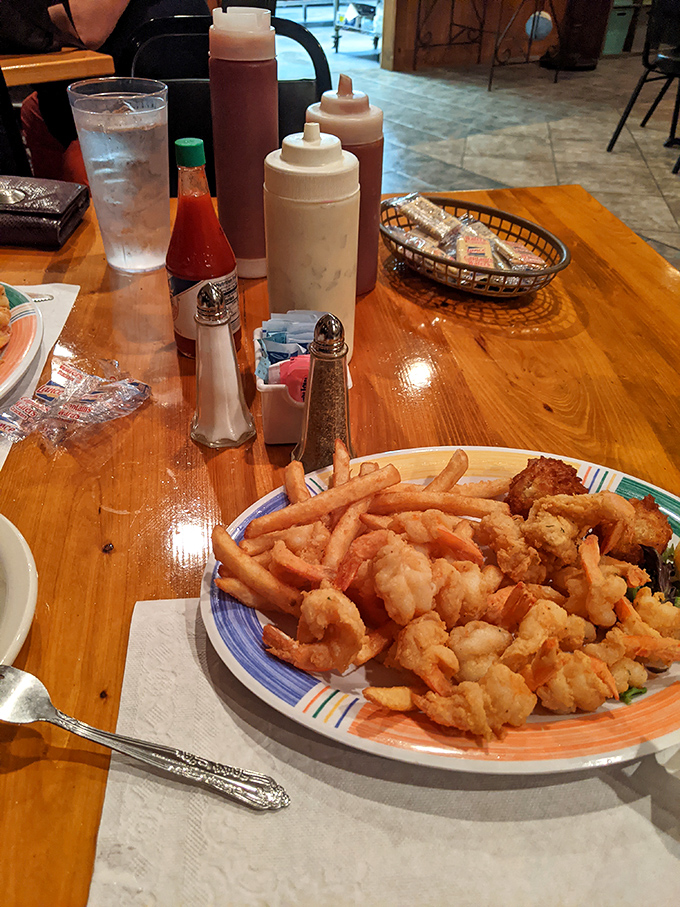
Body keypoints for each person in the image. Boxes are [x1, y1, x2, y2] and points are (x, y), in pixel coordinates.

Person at [19, 0, 211, 181]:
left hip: (141, 118)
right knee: (33, 112)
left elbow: (89, 29)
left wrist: (38, 22)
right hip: (128, 96)